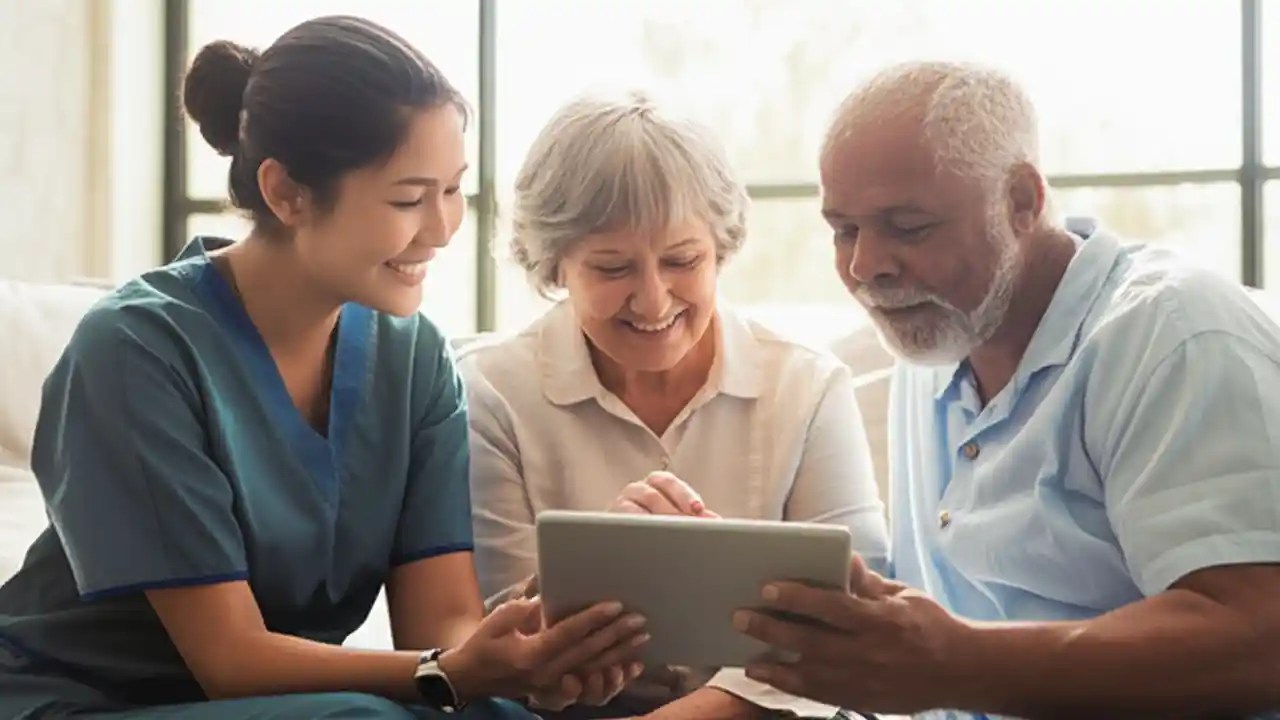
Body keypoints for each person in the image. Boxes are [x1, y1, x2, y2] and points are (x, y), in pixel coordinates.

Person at [0, 16, 648, 719]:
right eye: (407, 198)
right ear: (286, 193)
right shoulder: (135, 351)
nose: (441, 228)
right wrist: (451, 670)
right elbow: (229, 661)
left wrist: (527, 655)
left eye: (453, 190)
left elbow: (443, 637)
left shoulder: (415, 360)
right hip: (85, 701)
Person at [730, 60, 1280, 719]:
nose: (864, 265)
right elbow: (916, 626)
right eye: (843, 229)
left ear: (1022, 200)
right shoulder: (934, 335)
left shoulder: (1172, 335)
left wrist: (959, 667)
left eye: (908, 227)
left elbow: (1260, 638)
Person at [457, 90, 889, 720]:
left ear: (721, 248)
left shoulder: (808, 384)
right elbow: (496, 640)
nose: (655, 302)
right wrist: (593, 576)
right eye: (611, 269)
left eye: (683, 261)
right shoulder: (490, 391)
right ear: (555, 265)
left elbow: (859, 616)